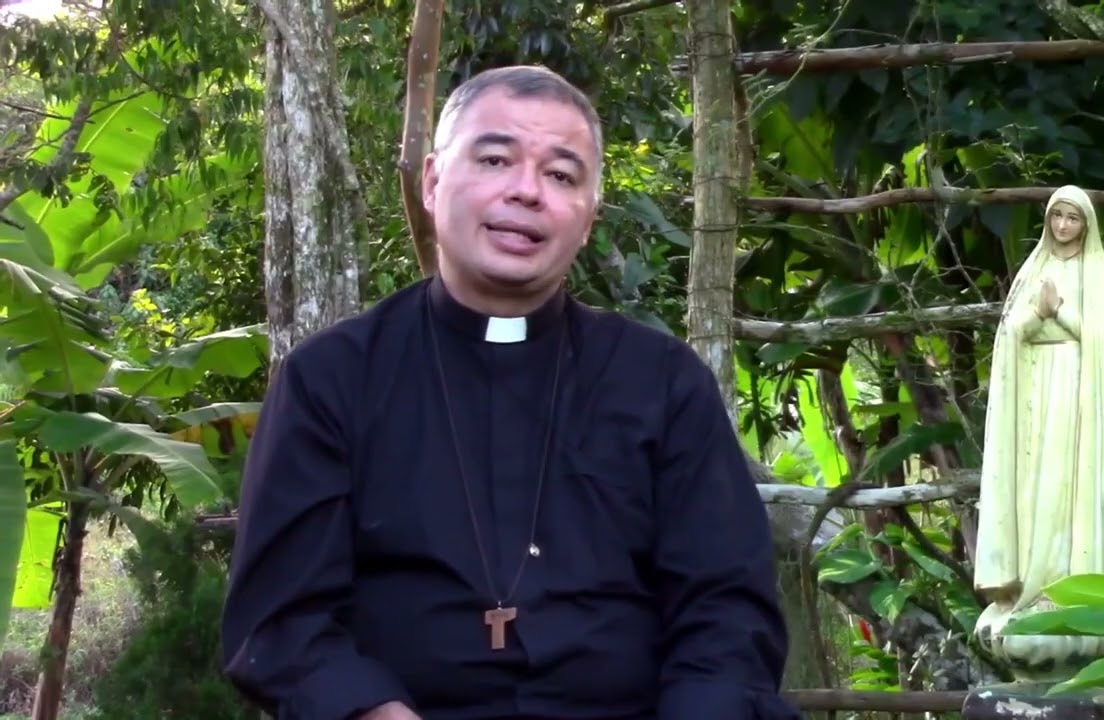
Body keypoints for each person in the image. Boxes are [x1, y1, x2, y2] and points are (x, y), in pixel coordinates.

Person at [220, 64, 800, 720]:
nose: (527, 192)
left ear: (587, 219)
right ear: (434, 182)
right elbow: (282, 622)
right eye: (496, 159)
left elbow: (726, 613)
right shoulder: (331, 379)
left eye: (560, 175)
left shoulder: (663, 382)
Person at [971, 185, 1104, 681]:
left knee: (1065, 493)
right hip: (1034, 401)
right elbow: (1011, 332)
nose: (1062, 227)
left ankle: (1060, 587)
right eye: (1056, 218)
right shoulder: (1033, 269)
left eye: (1072, 220)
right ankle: (1026, 590)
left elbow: (1098, 341)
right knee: (1033, 495)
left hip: (1075, 405)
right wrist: (1035, 316)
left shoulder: (1093, 275)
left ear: (1086, 225)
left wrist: (1057, 313)